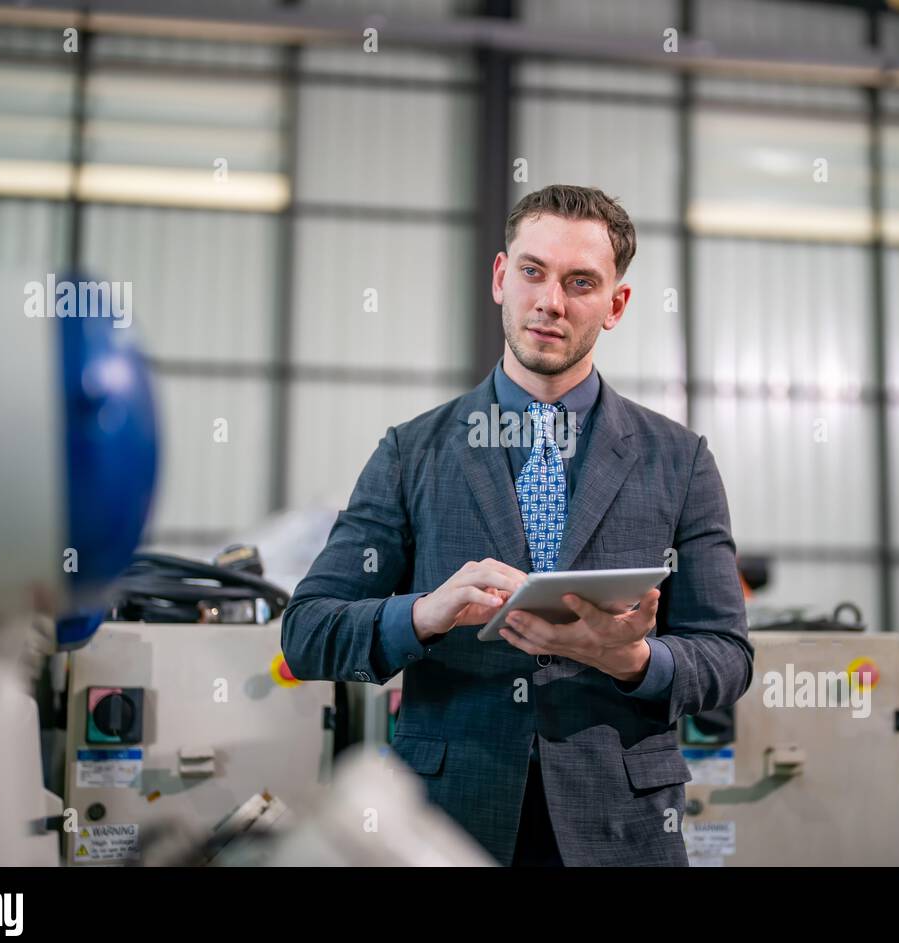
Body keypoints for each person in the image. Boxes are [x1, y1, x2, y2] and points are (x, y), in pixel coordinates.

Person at [282, 184, 752, 866]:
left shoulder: (678, 462)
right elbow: (307, 632)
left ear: (616, 305)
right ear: (502, 278)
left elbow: (728, 656)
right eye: (533, 272)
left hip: (623, 829)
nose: (550, 302)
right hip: (450, 824)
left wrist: (635, 662)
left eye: (581, 282)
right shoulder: (412, 452)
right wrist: (423, 614)